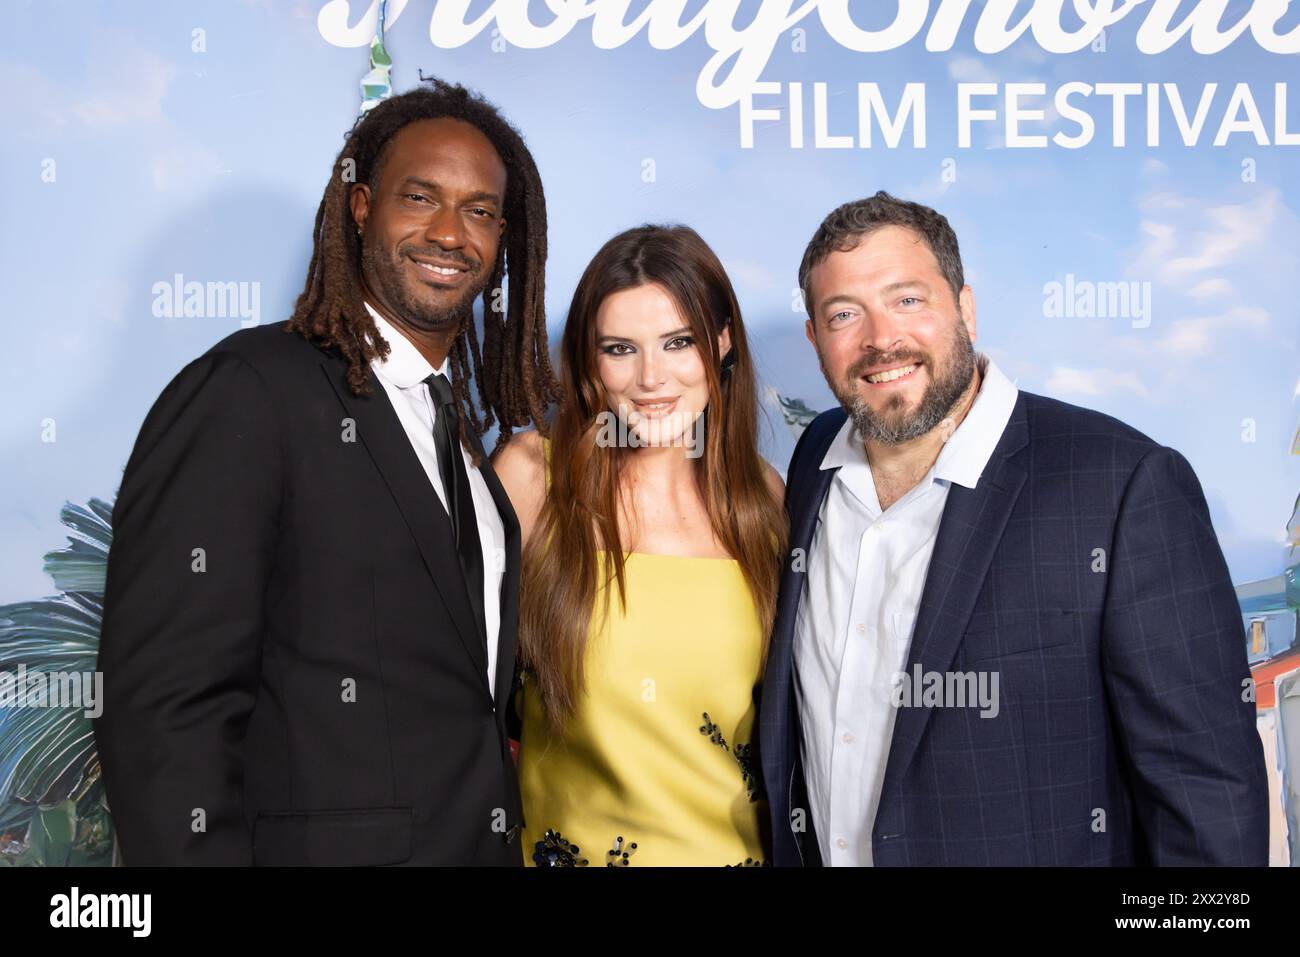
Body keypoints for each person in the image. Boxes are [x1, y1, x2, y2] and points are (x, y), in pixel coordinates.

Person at [93, 79, 560, 865]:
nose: (451, 232)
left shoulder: (466, 442)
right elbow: (164, 711)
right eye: (421, 198)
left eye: (479, 209)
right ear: (360, 207)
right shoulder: (249, 391)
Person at [759, 191, 1269, 866]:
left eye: (907, 299)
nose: (881, 337)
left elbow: (1209, 805)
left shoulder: (1121, 486)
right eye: (844, 314)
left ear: (965, 307)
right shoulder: (812, 466)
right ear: (815, 339)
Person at [493, 225, 788, 866]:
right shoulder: (532, 479)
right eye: (621, 348)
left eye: (678, 342)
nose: (651, 377)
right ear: (589, 361)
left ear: (722, 341)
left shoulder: (766, 503)